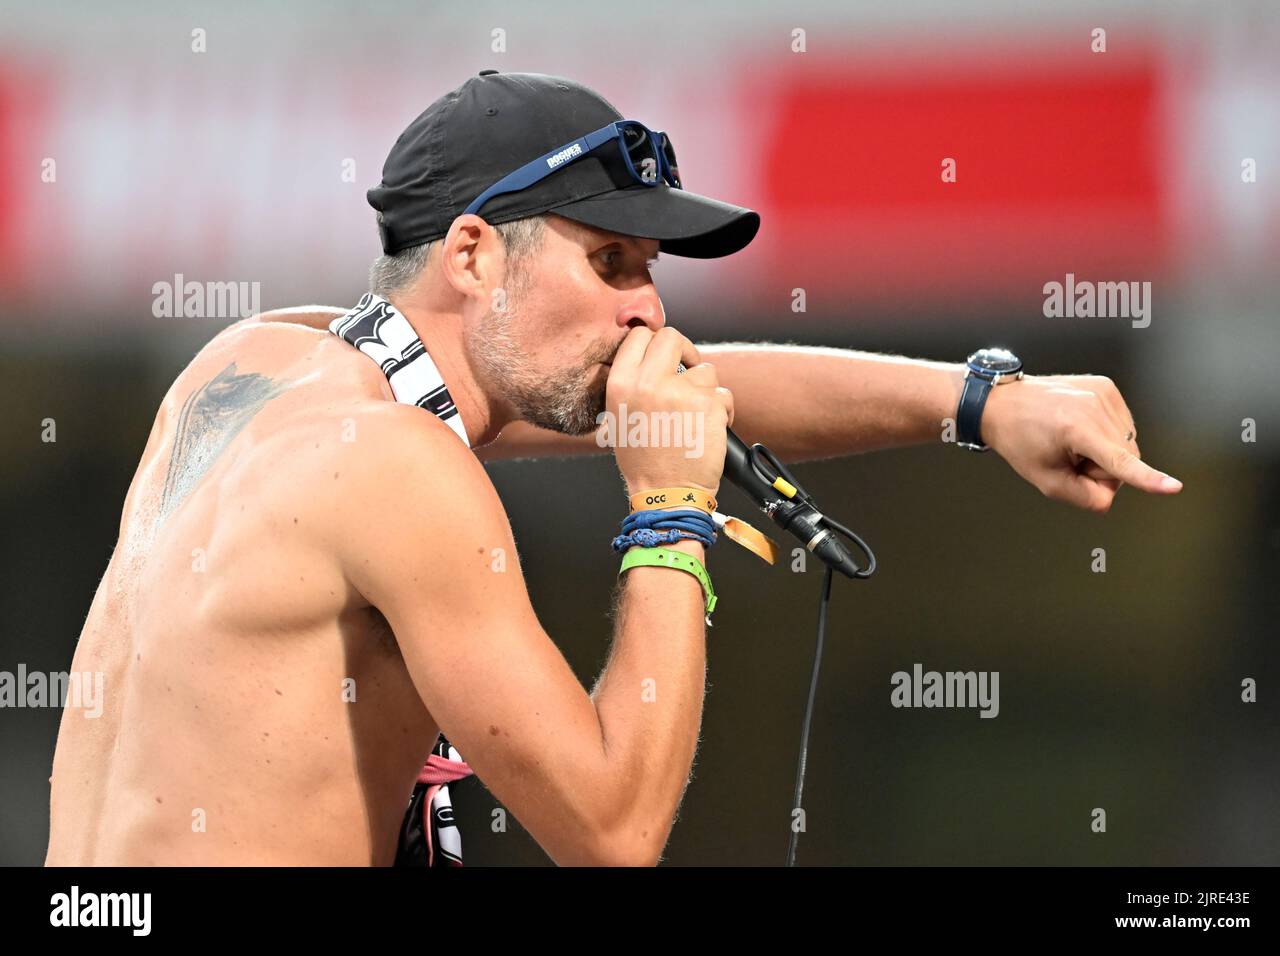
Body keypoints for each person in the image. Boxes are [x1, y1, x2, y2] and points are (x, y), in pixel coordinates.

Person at [45, 71, 1181, 867]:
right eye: (611, 261)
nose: (650, 306)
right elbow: (611, 829)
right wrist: (669, 509)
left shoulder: (250, 366)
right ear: (476, 252)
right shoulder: (403, 471)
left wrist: (979, 402)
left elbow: (702, 379)